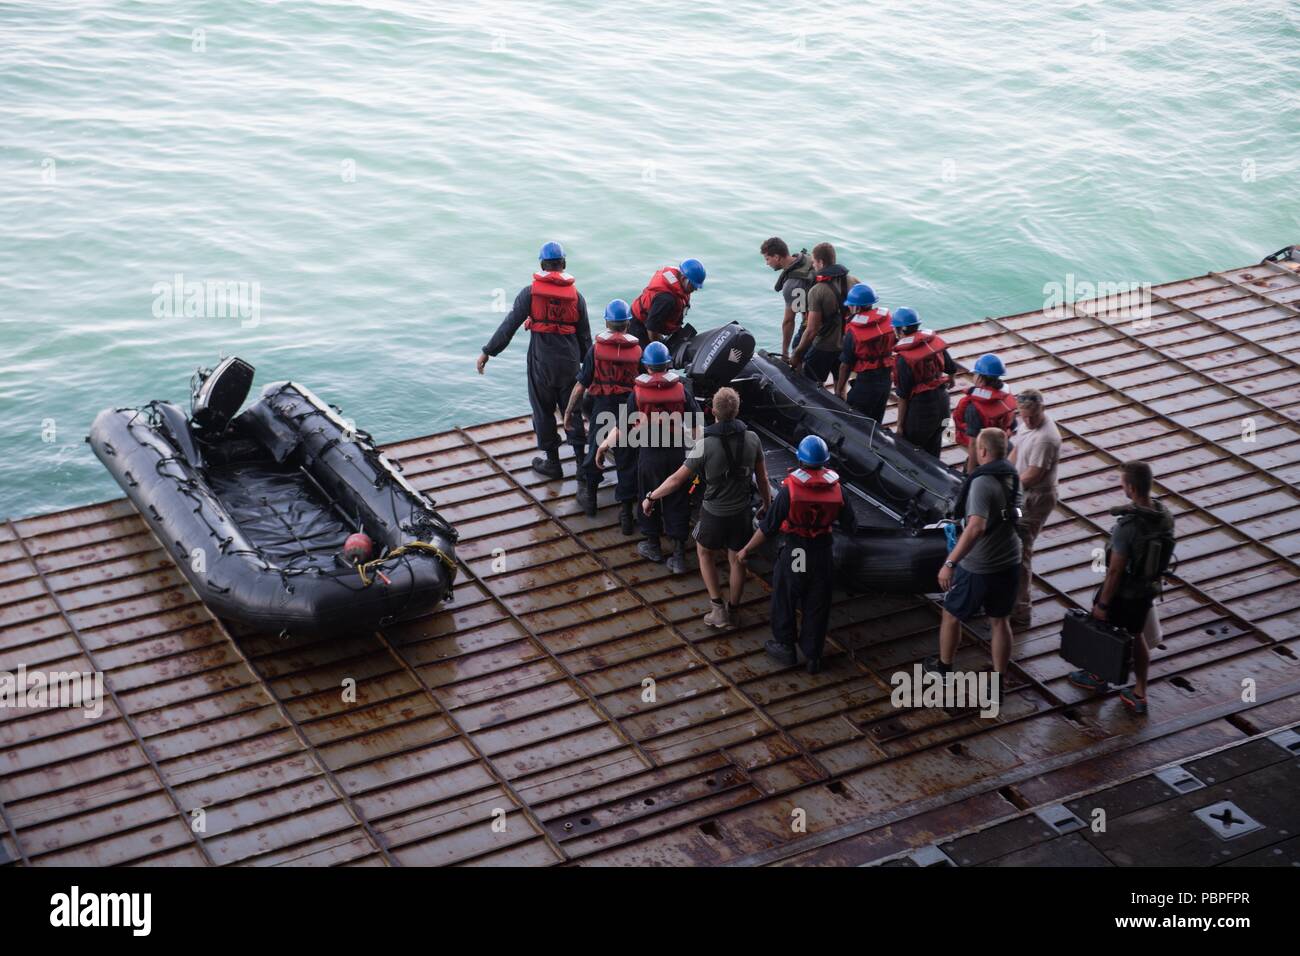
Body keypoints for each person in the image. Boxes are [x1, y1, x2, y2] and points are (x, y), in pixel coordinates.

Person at [644, 387, 770, 628]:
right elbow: (762, 479)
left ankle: (717, 608)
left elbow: (676, 480)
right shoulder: (752, 439)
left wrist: (651, 497)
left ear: (713, 412)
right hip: (741, 512)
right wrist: (766, 504)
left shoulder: (705, 445)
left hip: (713, 512)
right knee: (738, 560)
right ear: (737, 410)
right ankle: (734, 611)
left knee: (704, 553)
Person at [737, 435, 856, 674]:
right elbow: (851, 525)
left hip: (797, 551)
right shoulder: (838, 490)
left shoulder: (790, 491)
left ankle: (785, 646)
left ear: (800, 460)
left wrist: (746, 550)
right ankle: (813, 656)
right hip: (822, 552)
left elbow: (768, 527)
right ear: (825, 461)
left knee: (786, 598)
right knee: (817, 604)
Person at [1067, 462, 1175, 716]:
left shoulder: (1128, 527)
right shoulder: (1163, 515)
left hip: (1124, 593)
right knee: (1136, 636)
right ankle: (1139, 692)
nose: (1121, 486)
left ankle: (1097, 676)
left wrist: (1102, 604)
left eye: (1123, 483)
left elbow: (1115, 571)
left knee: (1102, 629)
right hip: (1147, 590)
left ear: (1132, 487)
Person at [477, 241, 593, 479]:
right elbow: (585, 337)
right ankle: (582, 464)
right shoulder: (576, 297)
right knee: (572, 409)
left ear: (542, 264)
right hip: (569, 364)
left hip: (542, 363)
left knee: (543, 411)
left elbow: (509, 326)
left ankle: (553, 463)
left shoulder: (530, 294)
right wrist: (588, 370)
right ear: (564, 264)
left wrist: (488, 351)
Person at [924, 428, 1023, 698]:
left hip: (980, 563)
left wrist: (951, 561)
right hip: (1010, 558)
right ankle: (998, 681)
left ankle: (944, 669)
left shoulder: (982, 483)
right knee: (1000, 621)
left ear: (982, 451)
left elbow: (976, 527)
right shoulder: (1012, 476)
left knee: (951, 614)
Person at [596, 341, 699, 573]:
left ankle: (653, 546)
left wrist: (603, 446)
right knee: (677, 498)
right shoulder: (682, 390)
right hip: (675, 452)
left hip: (649, 454)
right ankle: (679, 555)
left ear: (646, 367)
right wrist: (696, 456)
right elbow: (696, 428)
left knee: (648, 496)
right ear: (668, 364)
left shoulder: (637, 394)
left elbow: (622, 428)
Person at [564, 299, 642, 528]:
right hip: (629, 408)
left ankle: (590, 499)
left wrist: (569, 411)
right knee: (628, 458)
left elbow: (581, 385)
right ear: (627, 324)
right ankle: (626, 514)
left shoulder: (596, 350)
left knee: (595, 448)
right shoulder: (638, 351)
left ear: (607, 322)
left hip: (603, 406)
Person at [1008, 388, 1060, 629]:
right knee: (1014, 544)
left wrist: (1005, 487)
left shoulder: (1046, 438)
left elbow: (1034, 474)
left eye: (1032, 416)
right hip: (1023, 493)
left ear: (1043, 409)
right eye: (1024, 416)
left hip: (1035, 498)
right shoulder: (1026, 424)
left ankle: (1021, 609)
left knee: (1021, 550)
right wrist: (1002, 473)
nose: (1028, 421)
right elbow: (1016, 450)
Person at [891, 307, 957, 458]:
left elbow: (903, 396)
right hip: (943, 404)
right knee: (934, 448)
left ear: (900, 331)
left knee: (911, 452)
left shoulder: (903, 359)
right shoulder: (932, 343)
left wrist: (900, 426)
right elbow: (951, 369)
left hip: (922, 411)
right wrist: (951, 380)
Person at [792, 243, 858, 386]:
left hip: (824, 347)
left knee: (810, 385)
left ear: (821, 262)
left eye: (814, 262)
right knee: (840, 386)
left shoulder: (817, 290)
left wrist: (797, 354)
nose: (814, 266)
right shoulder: (853, 282)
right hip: (846, 345)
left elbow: (811, 331)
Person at [834, 283, 895, 423]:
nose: (848, 307)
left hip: (866, 382)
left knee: (855, 419)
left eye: (850, 305)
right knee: (876, 418)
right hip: (886, 378)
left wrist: (838, 390)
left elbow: (845, 365)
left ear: (857, 307)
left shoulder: (853, 332)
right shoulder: (889, 321)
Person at [954, 353, 1018, 473]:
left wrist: (970, 474)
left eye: (975, 374)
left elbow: (973, 444)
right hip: (1005, 451)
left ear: (980, 378)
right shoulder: (1005, 397)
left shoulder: (974, 407)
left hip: (985, 456)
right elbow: (1012, 425)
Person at [760, 238, 815, 364]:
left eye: (767, 259)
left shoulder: (792, 284)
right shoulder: (805, 258)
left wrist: (784, 352)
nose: (767, 263)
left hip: (817, 321)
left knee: (797, 352)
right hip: (833, 310)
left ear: (777, 257)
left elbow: (789, 321)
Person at [628, 259, 707, 347]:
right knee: (652, 356)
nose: (695, 289)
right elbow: (651, 327)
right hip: (639, 327)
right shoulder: (666, 299)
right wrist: (658, 346)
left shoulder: (679, 284)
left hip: (653, 321)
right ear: (684, 279)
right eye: (693, 285)